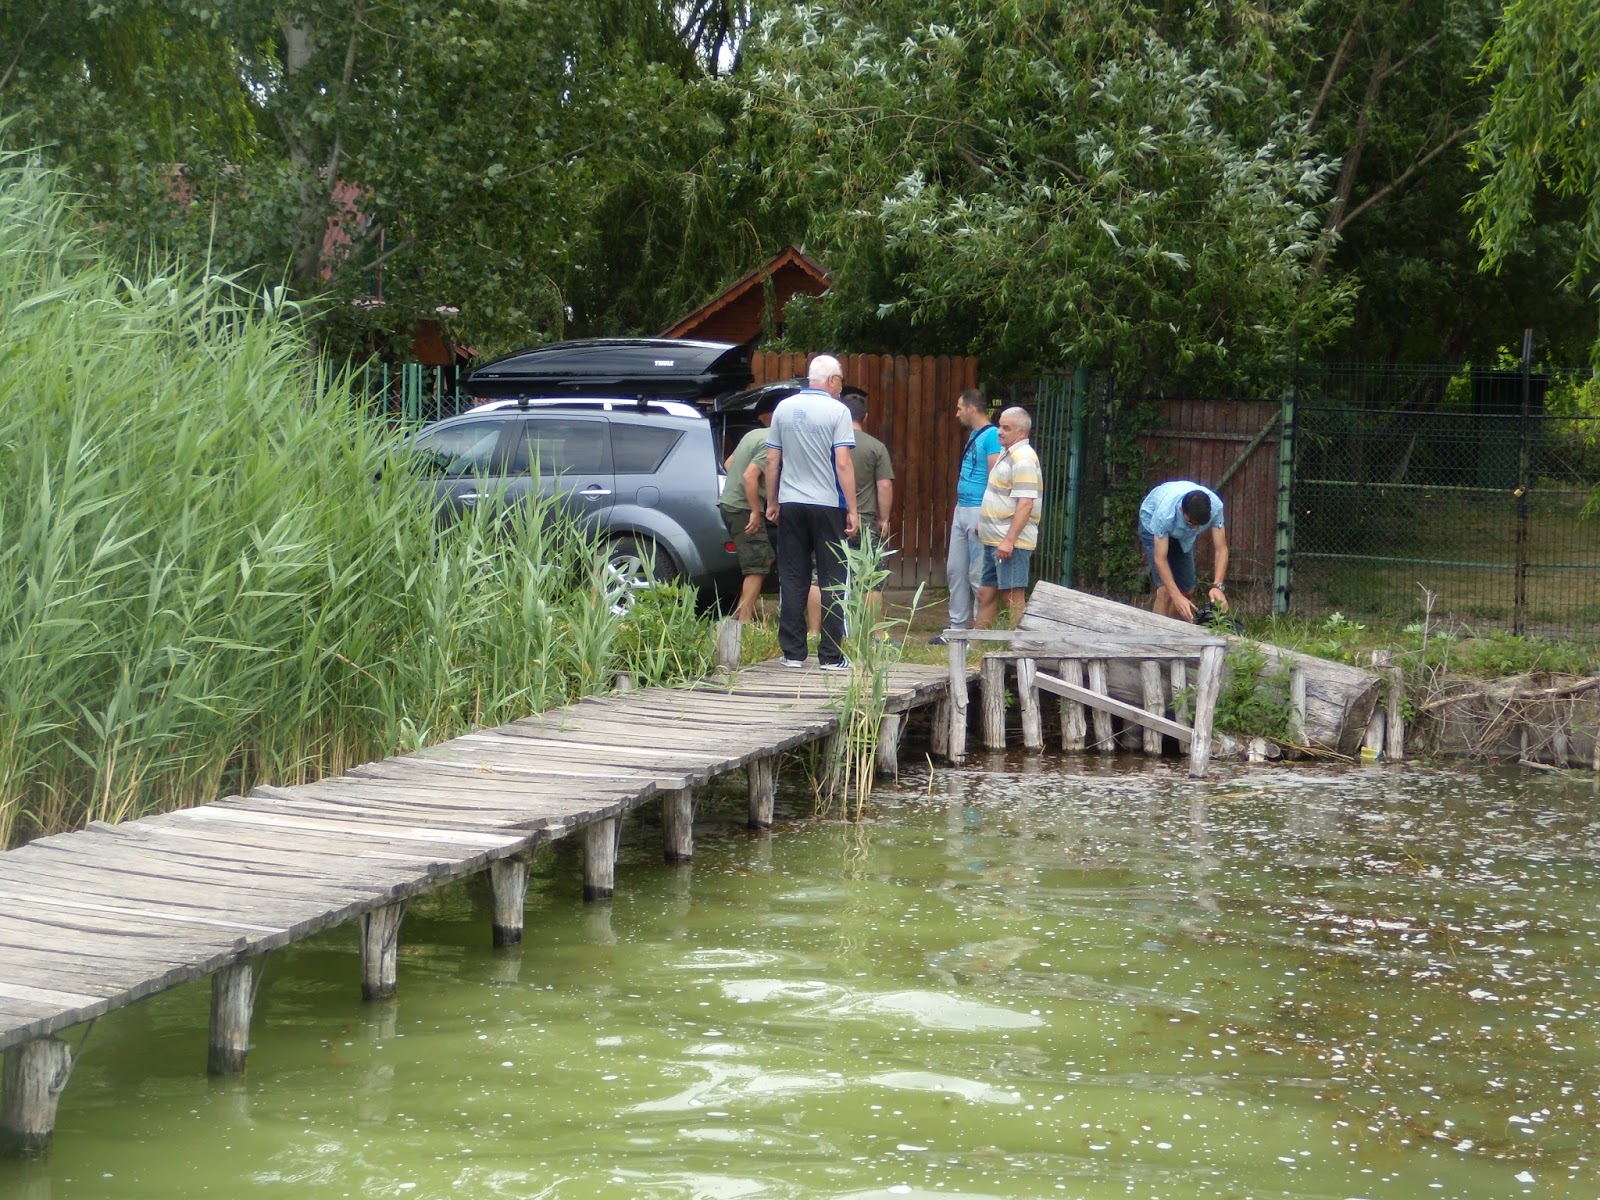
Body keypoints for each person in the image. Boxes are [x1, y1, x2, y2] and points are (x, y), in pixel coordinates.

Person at [764, 355, 858, 670]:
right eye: (840, 379)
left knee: (793, 576)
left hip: (791, 502)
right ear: (831, 380)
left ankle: (792, 653)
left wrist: (772, 501)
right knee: (832, 578)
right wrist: (853, 508)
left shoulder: (783, 408)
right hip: (828, 504)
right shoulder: (838, 411)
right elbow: (842, 463)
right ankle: (831, 655)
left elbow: (772, 460)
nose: (841, 386)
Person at [807, 387, 894, 635]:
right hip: (865, 522)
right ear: (865, 417)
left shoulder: (827, 444)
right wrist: (884, 518)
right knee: (871, 579)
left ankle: (814, 632)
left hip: (829, 518)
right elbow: (884, 485)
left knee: (818, 576)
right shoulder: (876, 447)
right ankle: (875, 635)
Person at [931, 388, 1001, 645]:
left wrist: (986, 514)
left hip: (978, 510)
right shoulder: (974, 434)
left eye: (960, 408)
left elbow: (994, 477)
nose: (957, 413)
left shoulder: (992, 436)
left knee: (977, 573)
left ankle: (978, 632)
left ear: (972, 408)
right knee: (955, 570)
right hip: (962, 507)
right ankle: (956, 628)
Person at [975, 406, 1042, 628]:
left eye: (1006, 428)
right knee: (985, 594)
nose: (999, 431)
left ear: (1021, 432)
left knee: (1013, 597)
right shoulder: (1007, 452)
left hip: (1010, 542)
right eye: (1000, 426)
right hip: (995, 539)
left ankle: (1018, 644)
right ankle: (977, 644)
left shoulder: (1023, 458)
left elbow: (1026, 503)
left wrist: (1009, 540)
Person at [718, 402, 777, 623]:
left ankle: (739, 614)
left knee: (762, 558)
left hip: (729, 503)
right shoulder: (771, 442)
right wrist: (755, 509)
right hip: (743, 507)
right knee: (757, 565)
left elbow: (728, 464)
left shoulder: (753, 434)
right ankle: (743, 622)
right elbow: (749, 476)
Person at [1138, 480, 1229, 623]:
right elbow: (1160, 559)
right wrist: (1176, 595)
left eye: (1201, 525)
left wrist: (1217, 586)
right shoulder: (1164, 515)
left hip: (1182, 535)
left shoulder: (1216, 507)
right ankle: (1157, 633)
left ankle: (1174, 630)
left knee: (1187, 590)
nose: (1196, 529)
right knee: (1166, 591)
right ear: (1181, 510)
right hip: (1152, 525)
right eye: (1192, 523)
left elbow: (1221, 549)